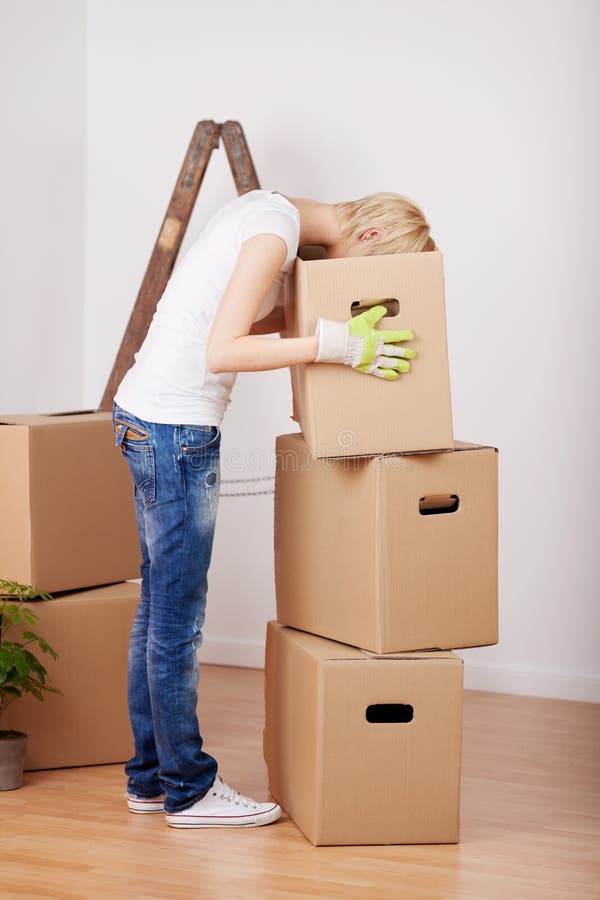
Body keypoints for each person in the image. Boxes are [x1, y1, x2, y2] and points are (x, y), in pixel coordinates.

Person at [112, 188, 436, 828]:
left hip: (146, 416)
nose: (360, 279)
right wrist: (334, 345)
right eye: (373, 266)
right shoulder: (274, 232)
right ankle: (189, 792)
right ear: (369, 237)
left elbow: (224, 328)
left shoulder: (267, 211)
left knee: (158, 611)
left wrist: (302, 320)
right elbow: (222, 353)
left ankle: (151, 780)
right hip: (175, 430)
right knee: (177, 623)